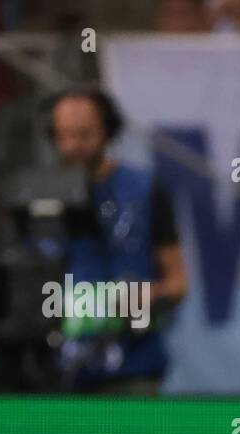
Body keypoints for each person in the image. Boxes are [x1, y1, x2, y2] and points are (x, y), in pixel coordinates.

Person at [49, 89, 188, 394]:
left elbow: (178, 283)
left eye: (84, 135)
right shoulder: (40, 195)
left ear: (107, 131)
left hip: (134, 367)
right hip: (58, 370)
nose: (73, 146)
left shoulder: (145, 189)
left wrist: (150, 296)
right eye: (64, 135)